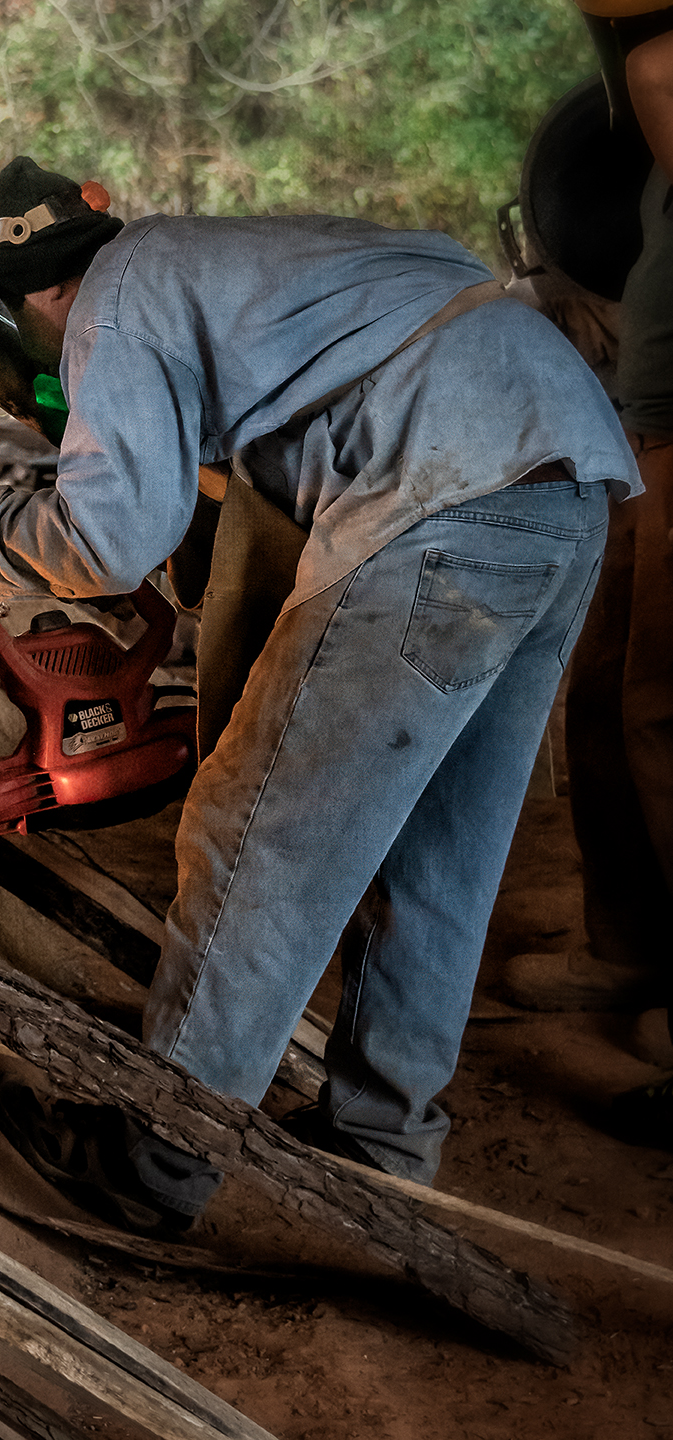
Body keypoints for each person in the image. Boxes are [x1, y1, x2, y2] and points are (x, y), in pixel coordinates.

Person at [0, 156, 640, 1231]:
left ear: (30, 291)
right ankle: (380, 1140)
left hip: (444, 492)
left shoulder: (114, 298)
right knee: (440, 847)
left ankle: (156, 1156)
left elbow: (106, 540)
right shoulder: (230, 264)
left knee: (246, 829)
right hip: (564, 482)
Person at [504, 5, 673, 1146]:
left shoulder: (665, 60)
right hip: (639, 433)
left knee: (668, 712)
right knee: (610, 699)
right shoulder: (646, 124)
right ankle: (631, 951)